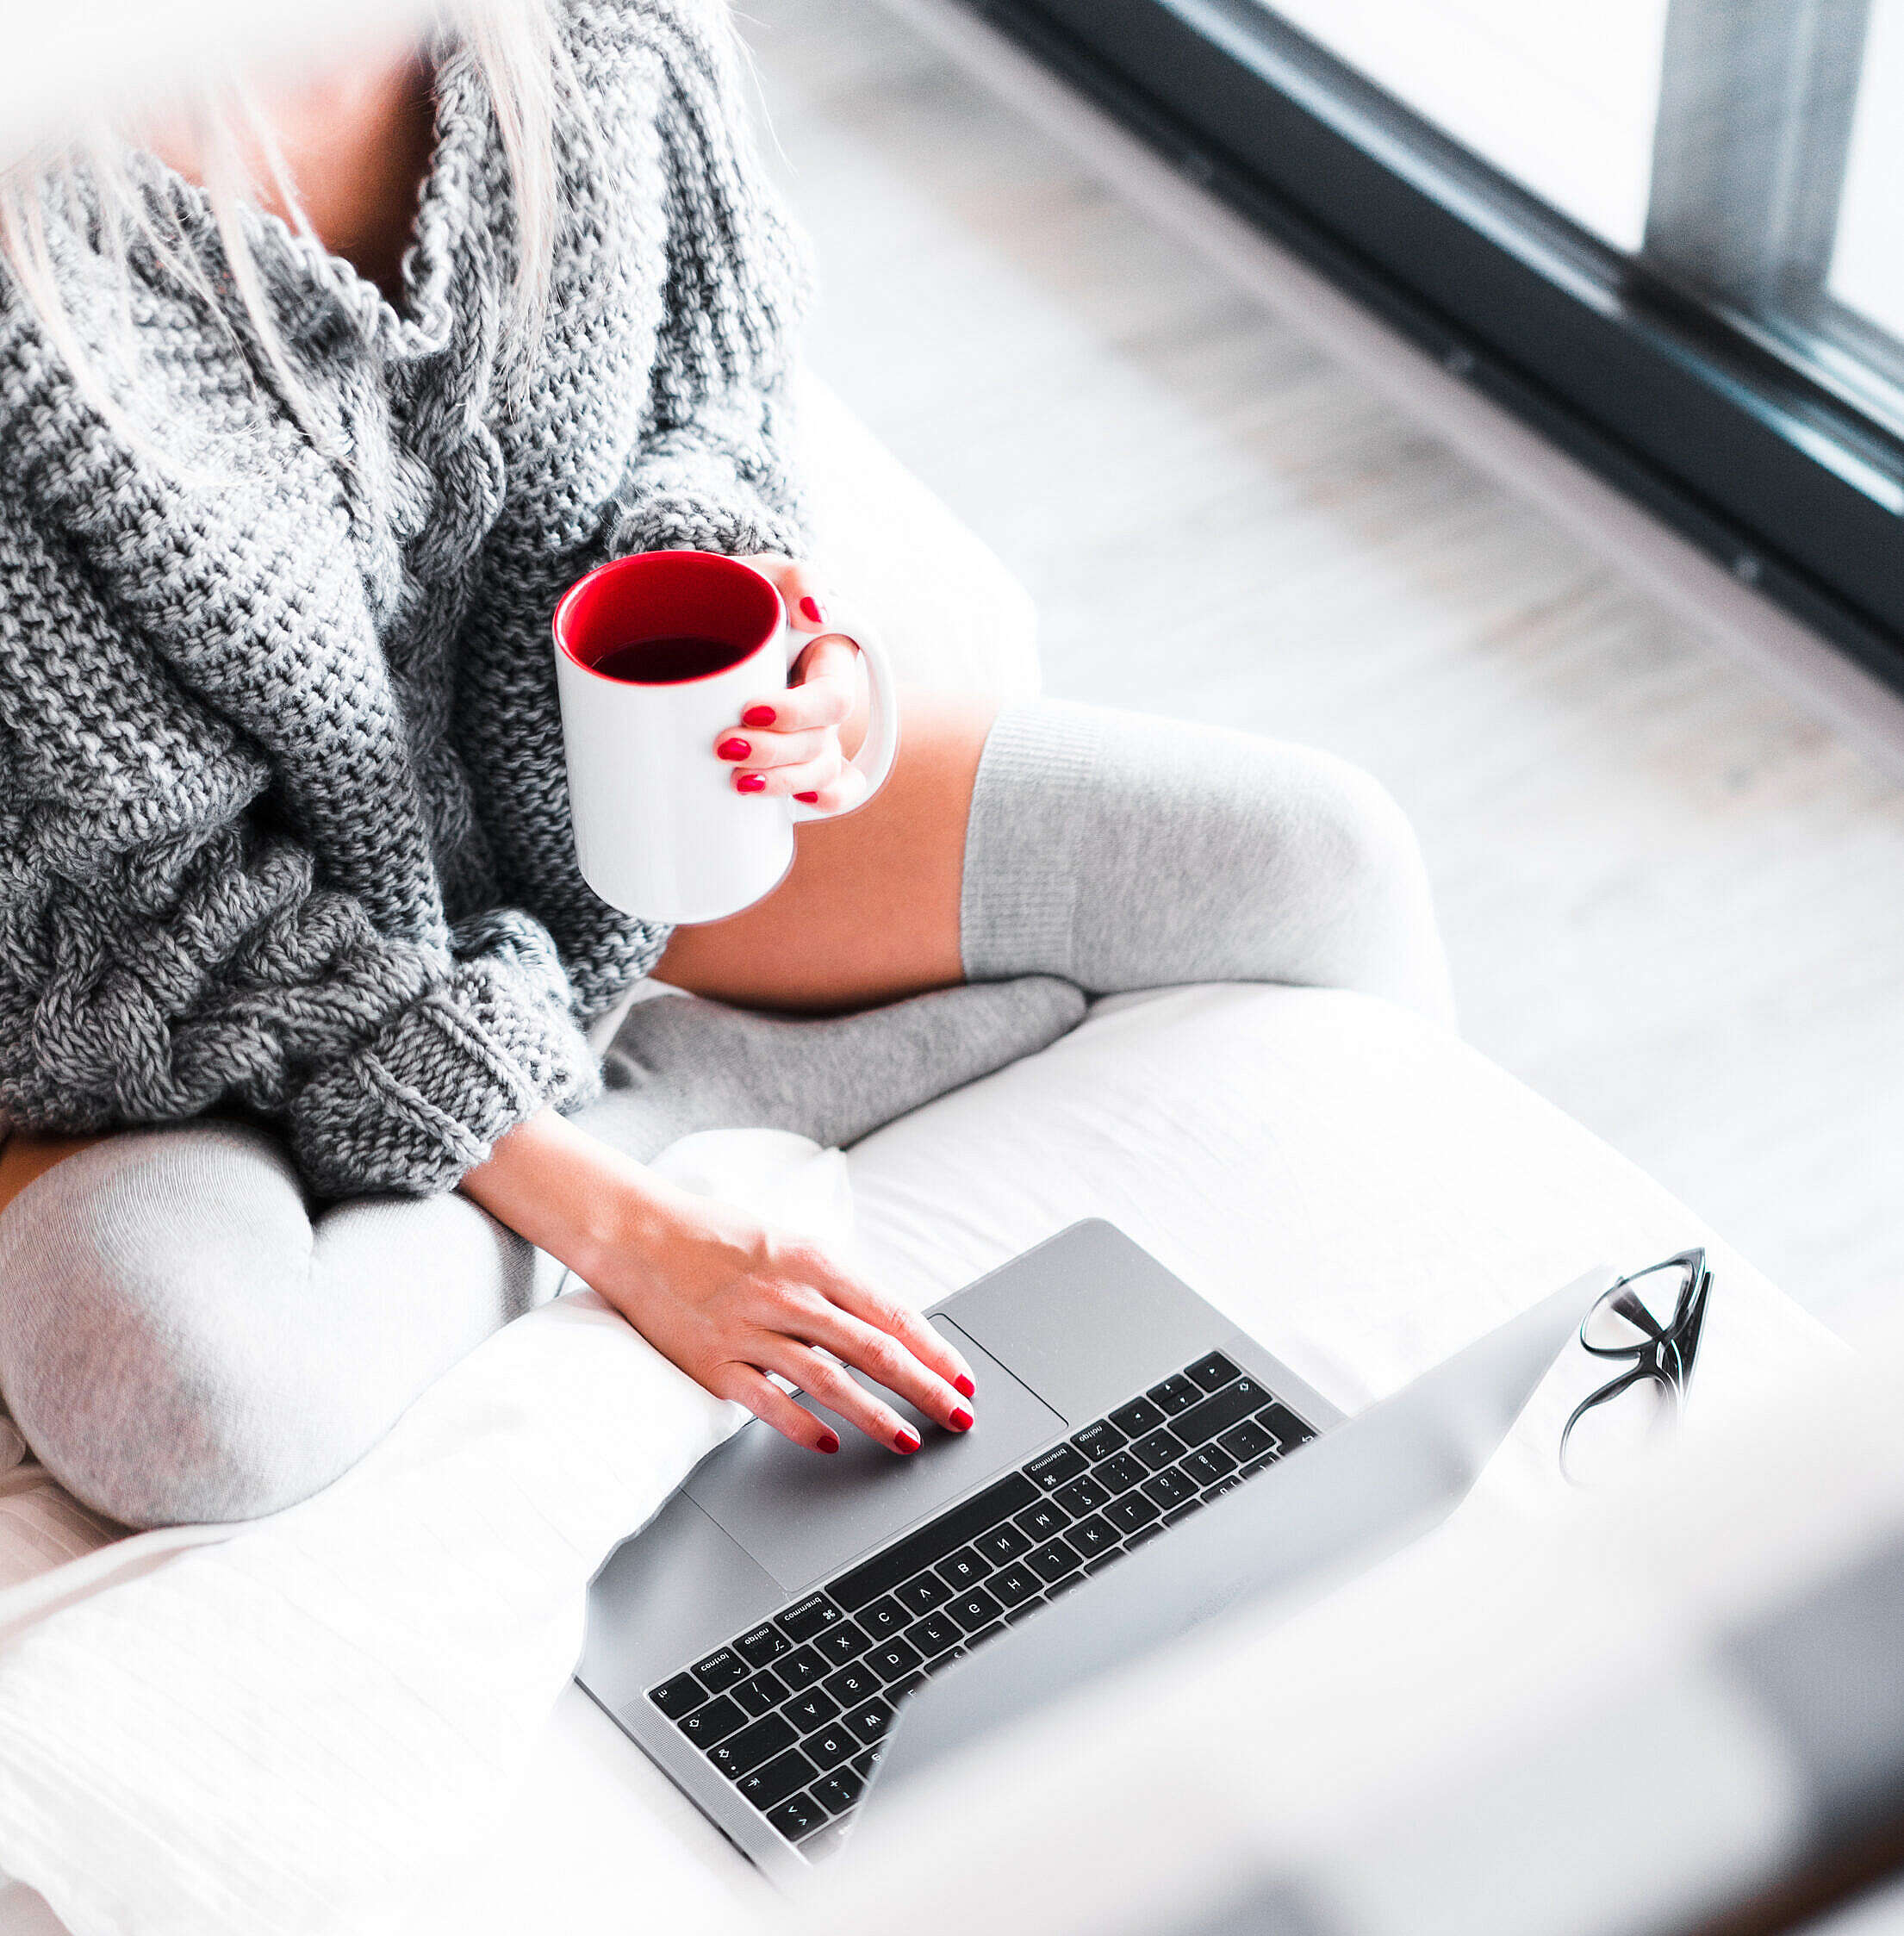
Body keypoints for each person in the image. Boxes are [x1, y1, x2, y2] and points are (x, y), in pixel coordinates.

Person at [0, 0, 1450, 1529]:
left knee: (1315, 861)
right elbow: (126, 901)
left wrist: (767, 632)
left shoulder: (598, 32)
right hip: (181, 1000)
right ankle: (670, 1096)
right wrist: (624, 1220)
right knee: (186, 1407)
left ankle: (1398, 1493)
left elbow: (708, 415)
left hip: (588, 833)